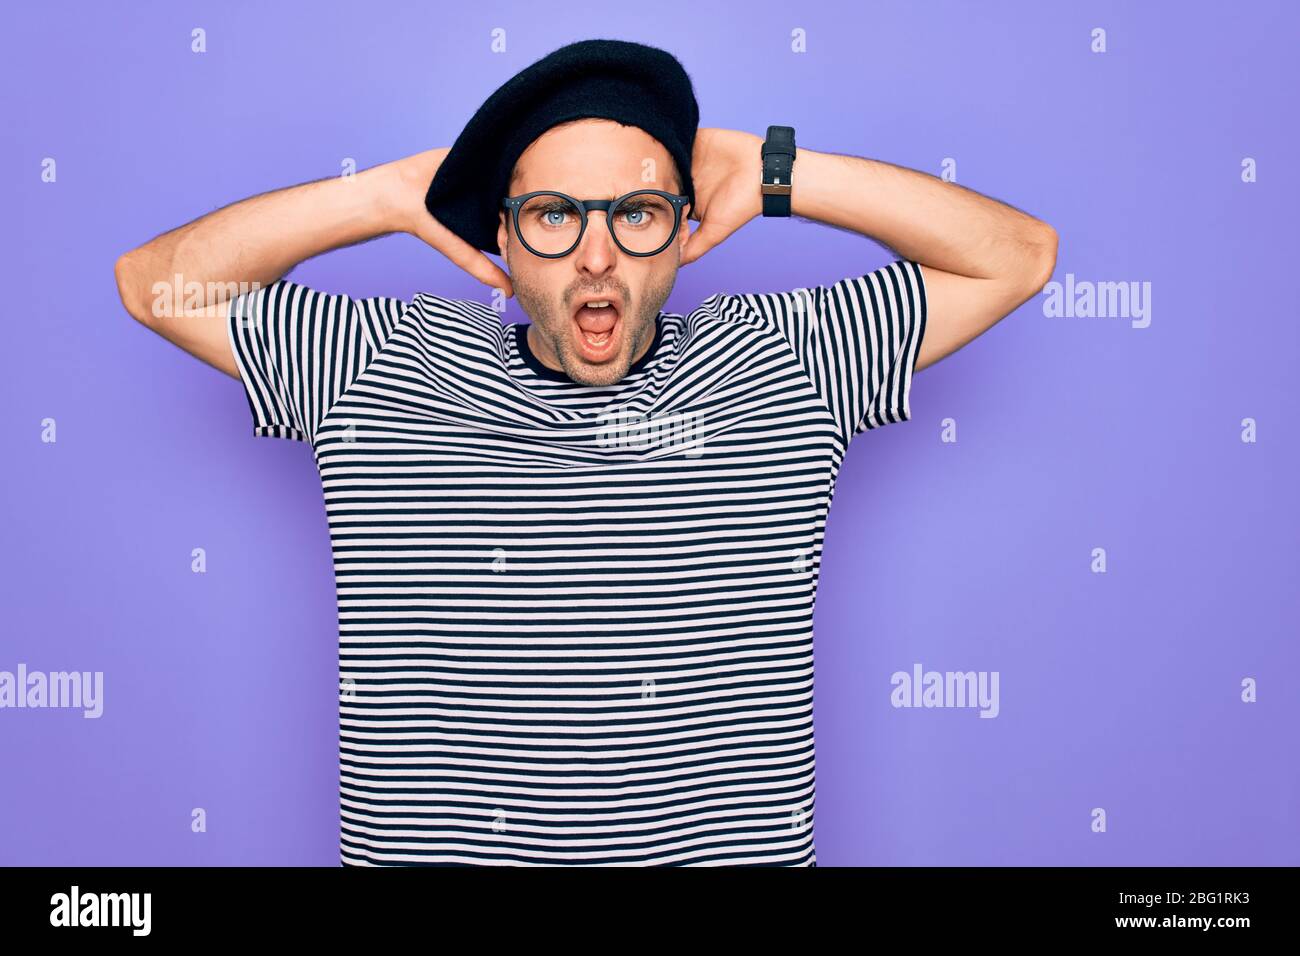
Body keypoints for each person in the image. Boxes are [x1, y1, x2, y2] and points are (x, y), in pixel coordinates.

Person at [113, 38, 1056, 866]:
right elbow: (154, 285)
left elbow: (1016, 255)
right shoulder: (376, 364)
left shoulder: (785, 358)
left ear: (684, 234)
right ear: (503, 239)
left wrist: (774, 169)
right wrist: (386, 195)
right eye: (555, 214)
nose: (596, 255)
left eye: (638, 212)